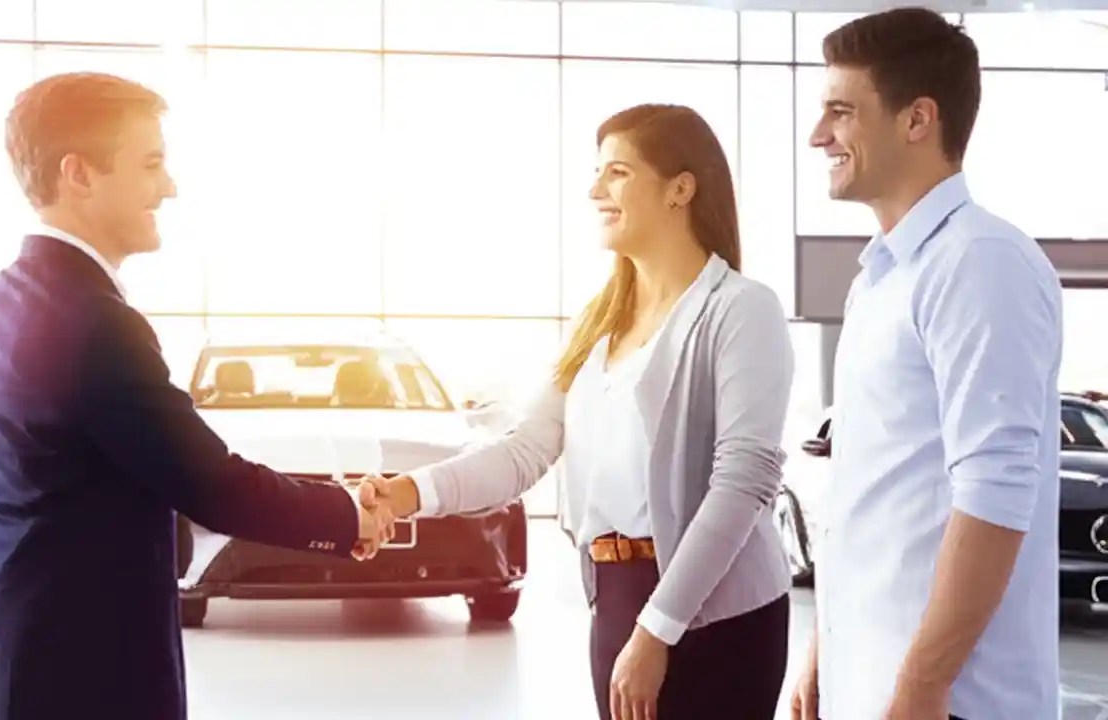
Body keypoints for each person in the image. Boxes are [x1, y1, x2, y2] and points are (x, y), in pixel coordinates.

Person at [0, 72, 396, 720]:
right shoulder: (95, 322)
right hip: (82, 676)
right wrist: (348, 514)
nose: (170, 186)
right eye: (151, 163)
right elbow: (209, 482)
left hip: (4, 651)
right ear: (78, 175)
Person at [358, 103, 795, 720]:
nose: (595, 192)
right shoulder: (601, 321)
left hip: (716, 610)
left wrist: (658, 629)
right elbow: (524, 450)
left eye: (616, 173)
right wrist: (406, 494)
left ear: (680, 188)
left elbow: (742, 482)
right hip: (617, 595)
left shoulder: (741, 310)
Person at [791, 9, 1062, 720]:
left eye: (841, 112)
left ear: (918, 119)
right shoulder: (881, 278)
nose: (818, 134)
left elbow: (997, 493)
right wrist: (827, 650)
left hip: (950, 704)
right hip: (874, 687)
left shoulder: (978, 262)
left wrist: (919, 687)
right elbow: (869, 495)